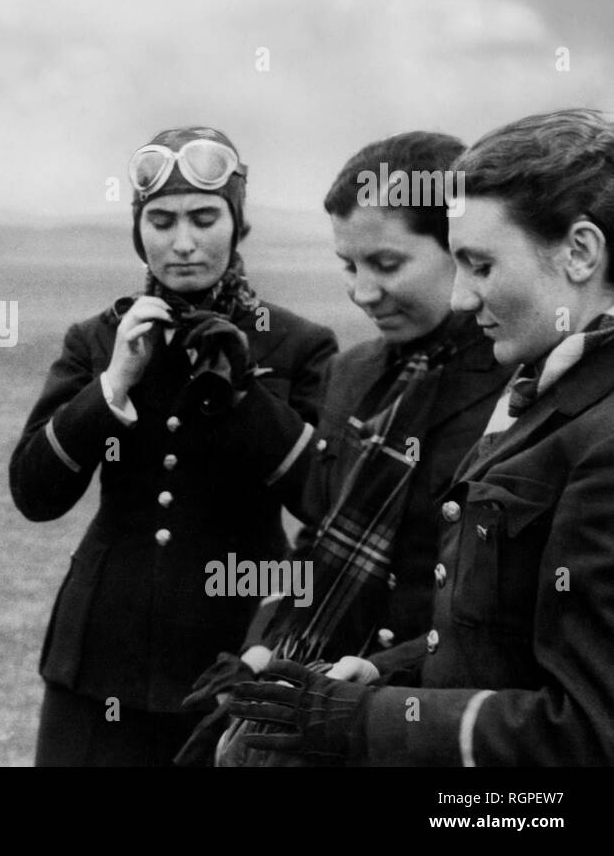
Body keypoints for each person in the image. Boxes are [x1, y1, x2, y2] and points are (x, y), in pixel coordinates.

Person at [229, 108, 614, 765]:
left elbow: (588, 732)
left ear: (580, 252)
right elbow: (494, 638)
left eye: (481, 265)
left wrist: (364, 716)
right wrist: (383, 675)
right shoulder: (542, 388)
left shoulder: (591, 430)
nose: (462, 298)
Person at [178, 132, 514, 765]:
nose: (362, 292)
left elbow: (500, 611)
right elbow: (318, 537)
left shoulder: (515, 385)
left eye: (386, 264)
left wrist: (376, 678)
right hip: (312, 706)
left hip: (425, 723)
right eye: (349, 266)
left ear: (461, 248)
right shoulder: (351, 373)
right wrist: (263, 651)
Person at [9, 126, 337, 766]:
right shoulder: (98, 339)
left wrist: (244, 393)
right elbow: (34, 495)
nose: (182, 242)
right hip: (101, 652)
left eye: (204, 218)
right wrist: (112, 384)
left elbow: (325, 501)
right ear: (139, 231)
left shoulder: (297, 344)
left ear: (237, 224)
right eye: (160, 221)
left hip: (235, 647)